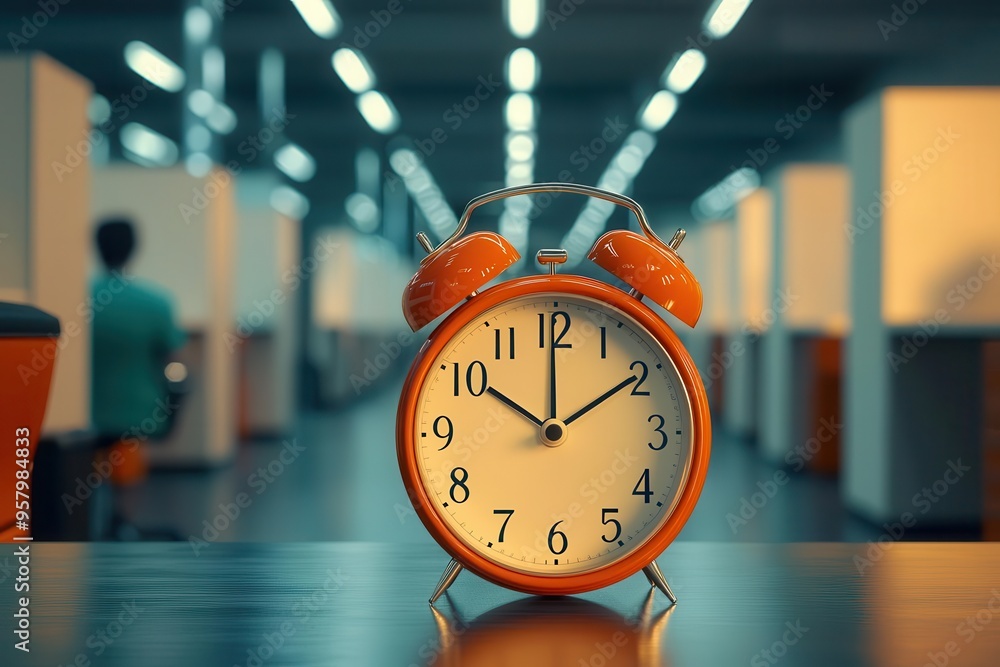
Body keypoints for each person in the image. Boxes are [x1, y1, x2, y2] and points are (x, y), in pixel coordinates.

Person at [90, 218, 186, 443]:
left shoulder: (78, 299)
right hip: (143, 414)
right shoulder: (157, 303)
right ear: (134, 249)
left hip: (86, 411)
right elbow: (174, 360)